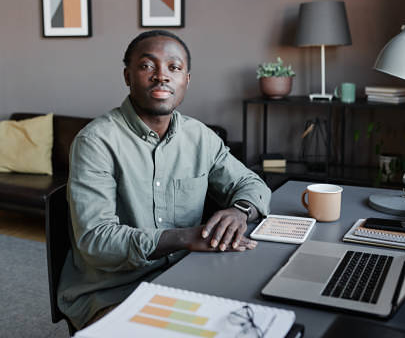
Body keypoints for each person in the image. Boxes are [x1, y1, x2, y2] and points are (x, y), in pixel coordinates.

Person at [57, 30, 271, 329]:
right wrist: (184, 237)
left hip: (187, 276)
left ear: (186, 80)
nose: (162, 76)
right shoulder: (95, 142)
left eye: (174, 67)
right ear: (127, 75)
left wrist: (240, 211)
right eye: (147, 66)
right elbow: (96, 240)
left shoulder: (200, 137)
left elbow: (251, 184)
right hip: (111, 290)